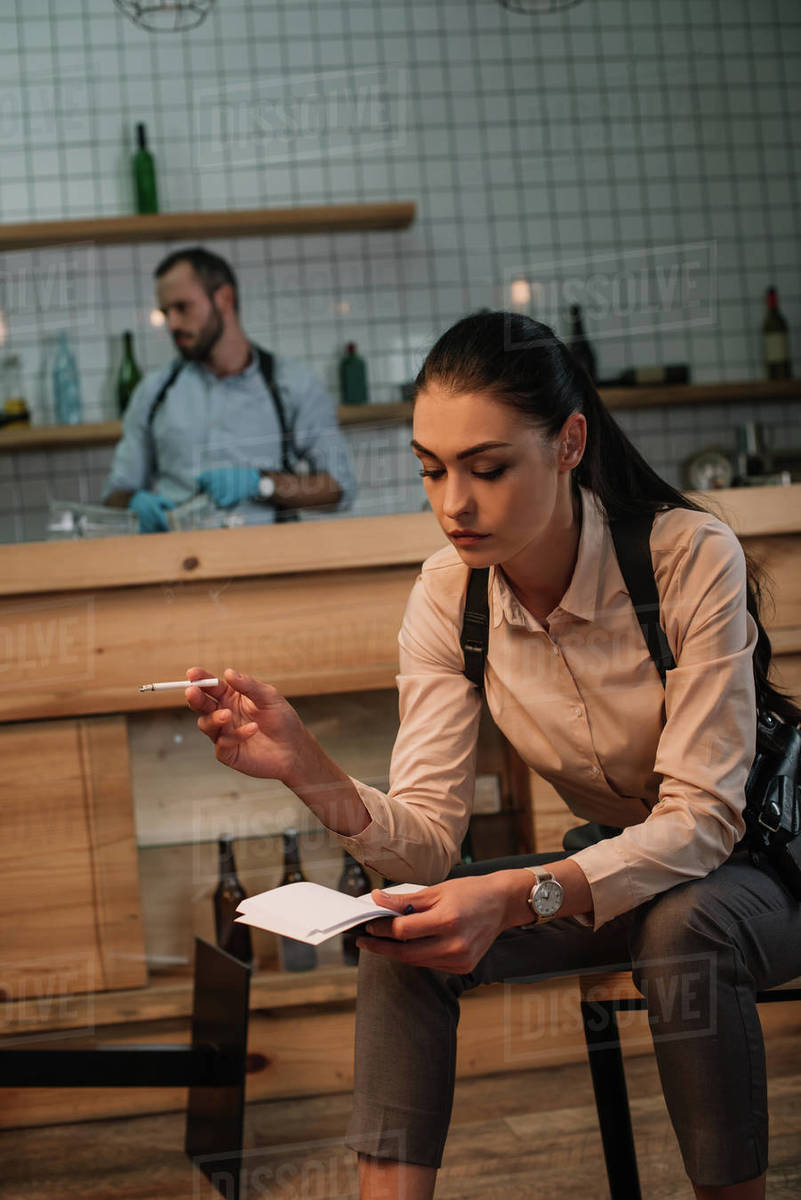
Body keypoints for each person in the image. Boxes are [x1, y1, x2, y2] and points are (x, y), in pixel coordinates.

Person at [184, 311, 801, 1200]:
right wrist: (306, 768)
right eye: (431, 469)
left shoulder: (684, 555)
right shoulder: (447, 594)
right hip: (626, 867)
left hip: (766, 868)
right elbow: (430, 841)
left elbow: (702, 820)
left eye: (486, 467)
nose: (452, 505)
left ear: (567, 445)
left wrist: (518, 893)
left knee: (684, 928)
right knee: (403, 925)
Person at [102, 247, 356, 531]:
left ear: (224, 298)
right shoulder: (153, 393)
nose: (172, 324)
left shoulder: (292, 385)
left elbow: (339, 489)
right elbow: (115, 495)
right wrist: (133, 503)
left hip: (268, 564)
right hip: (177, 562)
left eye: (182, 308)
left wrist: (263, 484)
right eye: (165, 312)